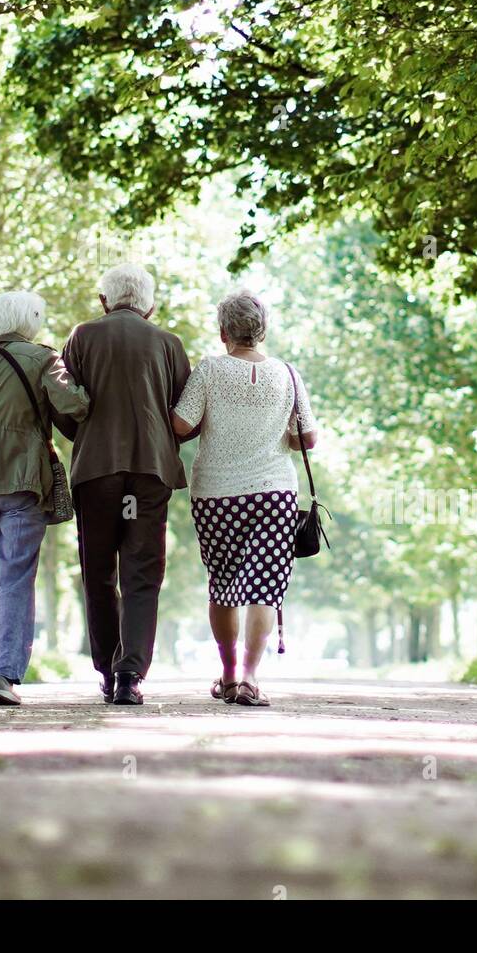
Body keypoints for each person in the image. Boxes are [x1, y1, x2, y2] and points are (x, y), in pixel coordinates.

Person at [0, 290, 89, 706]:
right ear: (33, 320)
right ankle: (1, 674)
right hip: (23, 483)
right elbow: (71, 406)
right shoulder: (44, 359)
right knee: (15, 578)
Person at [171, 290, 318, 707]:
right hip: (274, 493)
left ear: (223, 333)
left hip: (217, 493)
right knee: (264, 588)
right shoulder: (287, 374)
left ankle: (229, 673)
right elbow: (307, 436)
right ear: (263, 330)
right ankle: (252, 678)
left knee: (223, 585)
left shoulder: (209, 370)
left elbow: (182, 425)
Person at [60, 263, 192, 705]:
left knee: (98, 572)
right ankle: (129, 674)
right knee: (141, 572)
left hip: (97, 472)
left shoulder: (81, 337)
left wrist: (87, 434)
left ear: (104, 301)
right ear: (150, 306)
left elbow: (64, 406)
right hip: (149, 472)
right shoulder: (169, 344)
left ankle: (105, 668)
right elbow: (183, 414)